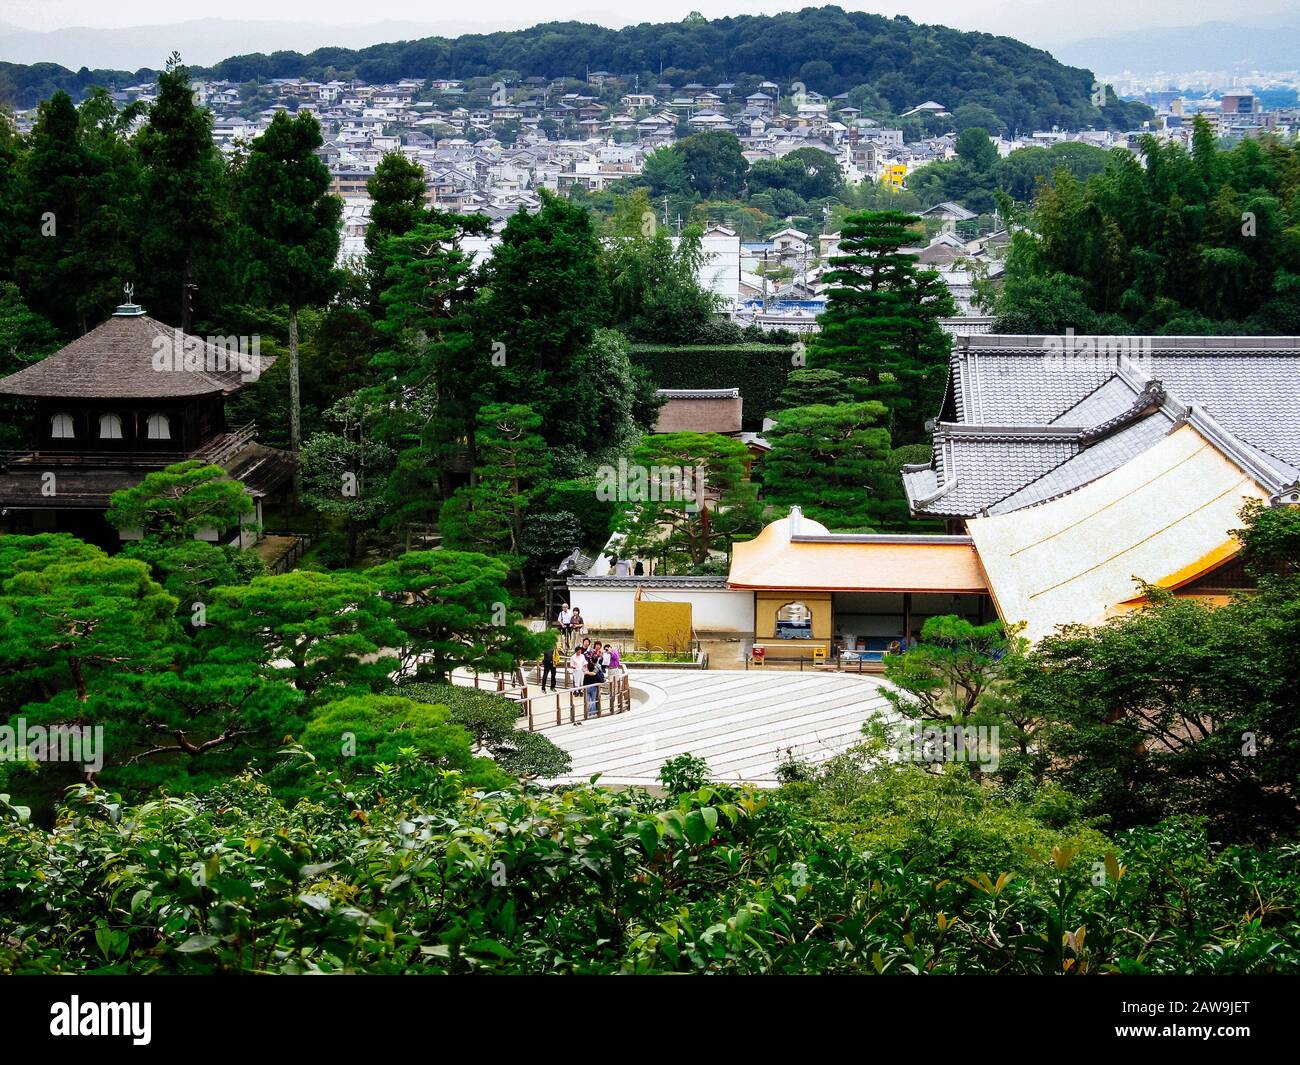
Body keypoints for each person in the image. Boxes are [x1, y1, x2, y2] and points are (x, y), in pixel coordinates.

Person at [583, 642, 606, 718]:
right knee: (593, 699)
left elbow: (587, 673)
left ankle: (589, 713)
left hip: (587, 685)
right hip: (594, 685)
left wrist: (586, 672)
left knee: (588, 700)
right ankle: (592, 713)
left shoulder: (587, 667)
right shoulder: (597, 667)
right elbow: (595, 673)